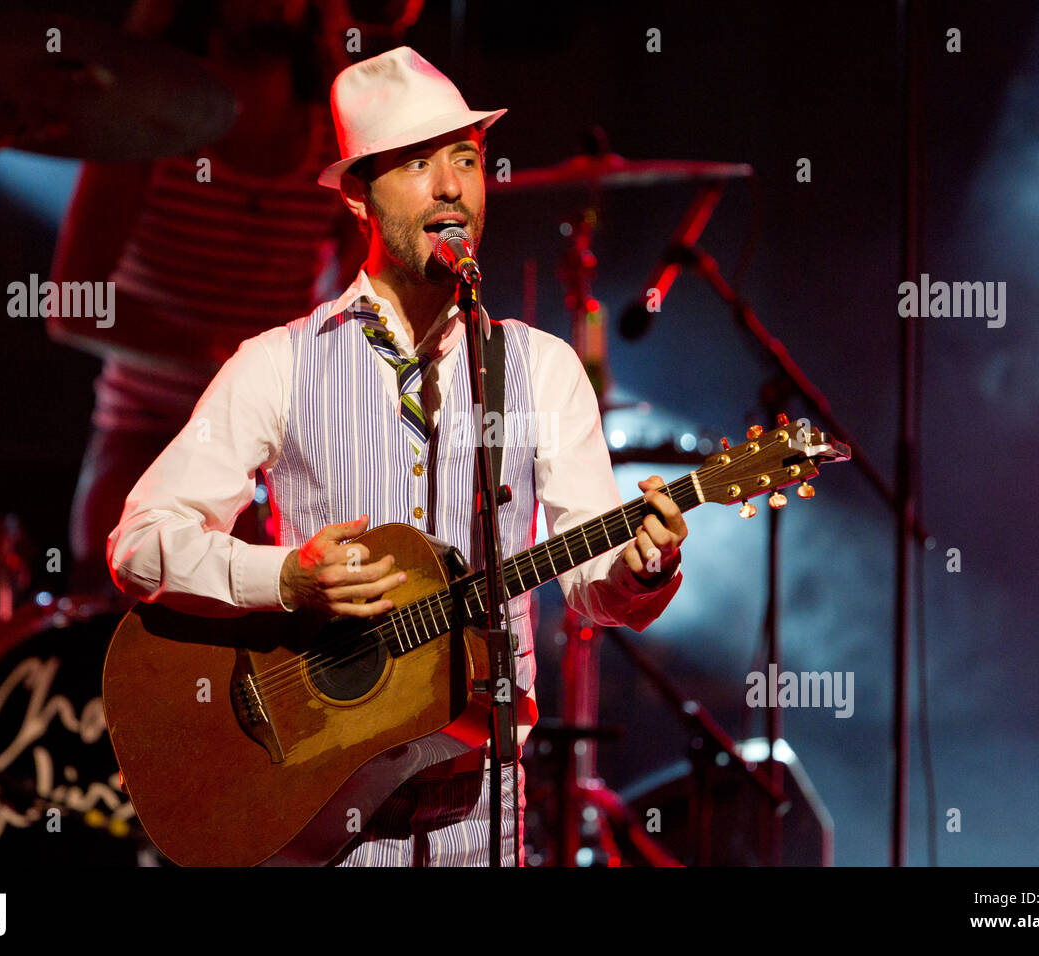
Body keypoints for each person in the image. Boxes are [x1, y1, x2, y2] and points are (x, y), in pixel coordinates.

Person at [107, 45, 687, 866]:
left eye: (466, 158)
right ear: (356, 195)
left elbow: (595, 593)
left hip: (481, 823)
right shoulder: (280, 362)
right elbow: (137, 544)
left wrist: (641, 570)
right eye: (418, 163)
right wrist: (283, 577)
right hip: (317, 812)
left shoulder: (539, 368)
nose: (452, 185)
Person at [49, 0, 361, 596]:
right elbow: (72, 303)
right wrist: (227, 357)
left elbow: (361, 290)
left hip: (269, 446)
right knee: (130, 578)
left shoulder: (332, 135)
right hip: (147, 430)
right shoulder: (146, 123)